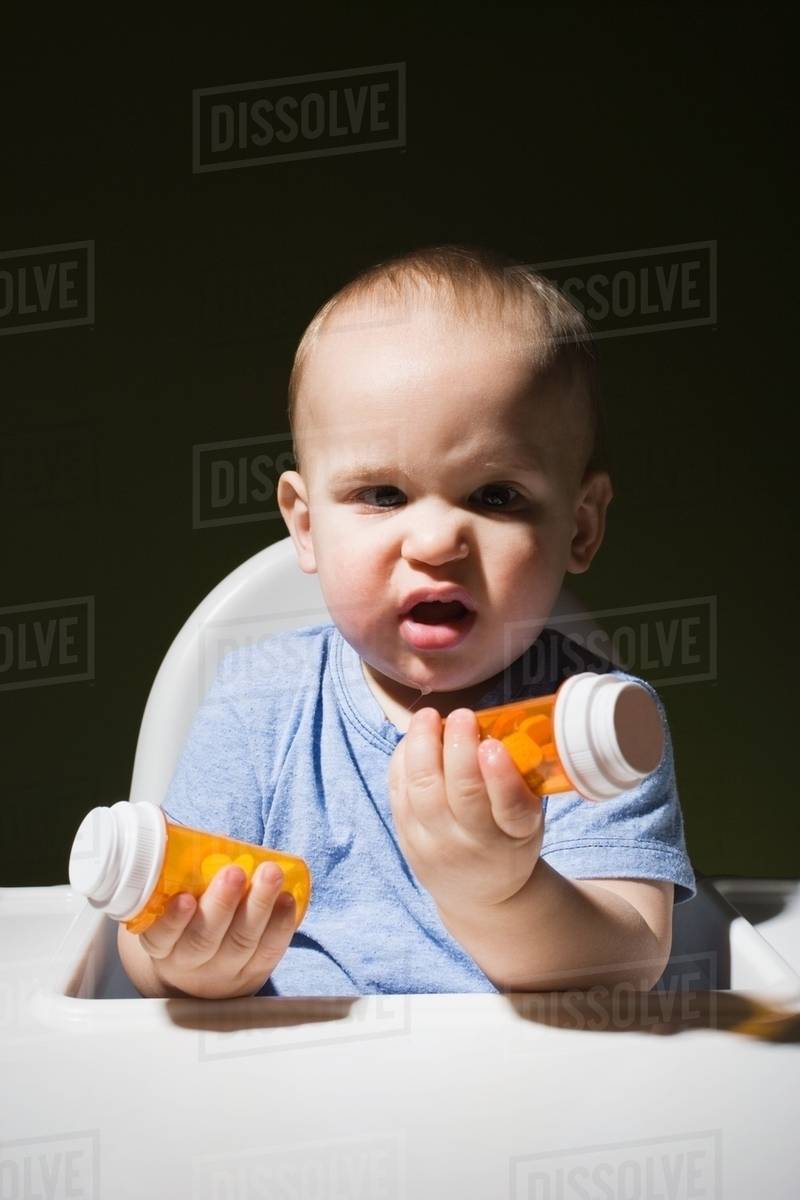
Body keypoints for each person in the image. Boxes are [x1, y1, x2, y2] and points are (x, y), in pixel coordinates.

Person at [118, 244, 696, 1000]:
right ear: (305, 525)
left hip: (523, 1098)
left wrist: (501, 896)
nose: (435, 543)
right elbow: (145, 935)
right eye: (382, 494)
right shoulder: (257, 700)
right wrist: (187, 958)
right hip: (287, 1086)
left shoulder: (596, 725)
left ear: (581, 526)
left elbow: (630, 962)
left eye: (495, 496)